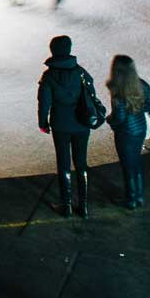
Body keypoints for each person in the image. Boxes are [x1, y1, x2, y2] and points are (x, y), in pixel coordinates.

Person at [37, 35, 103, 218]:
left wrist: (43, 123)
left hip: (60, 125)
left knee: (63, 163)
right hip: (82, 124)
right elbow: (91, 95)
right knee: (81, 163)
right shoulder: (81, 72)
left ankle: (66, 205)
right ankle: (83, 206)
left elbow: (44, 103)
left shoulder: (48, 76)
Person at [105, 55, 150, 209]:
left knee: (127, 165)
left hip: (125, 133)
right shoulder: (142, 84)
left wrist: (109, 120)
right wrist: (137, 110)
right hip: (140, 127)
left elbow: (119, 118)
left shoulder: (118, 92)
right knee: (136, 162)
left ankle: (130, 199)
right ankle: (139, 196)